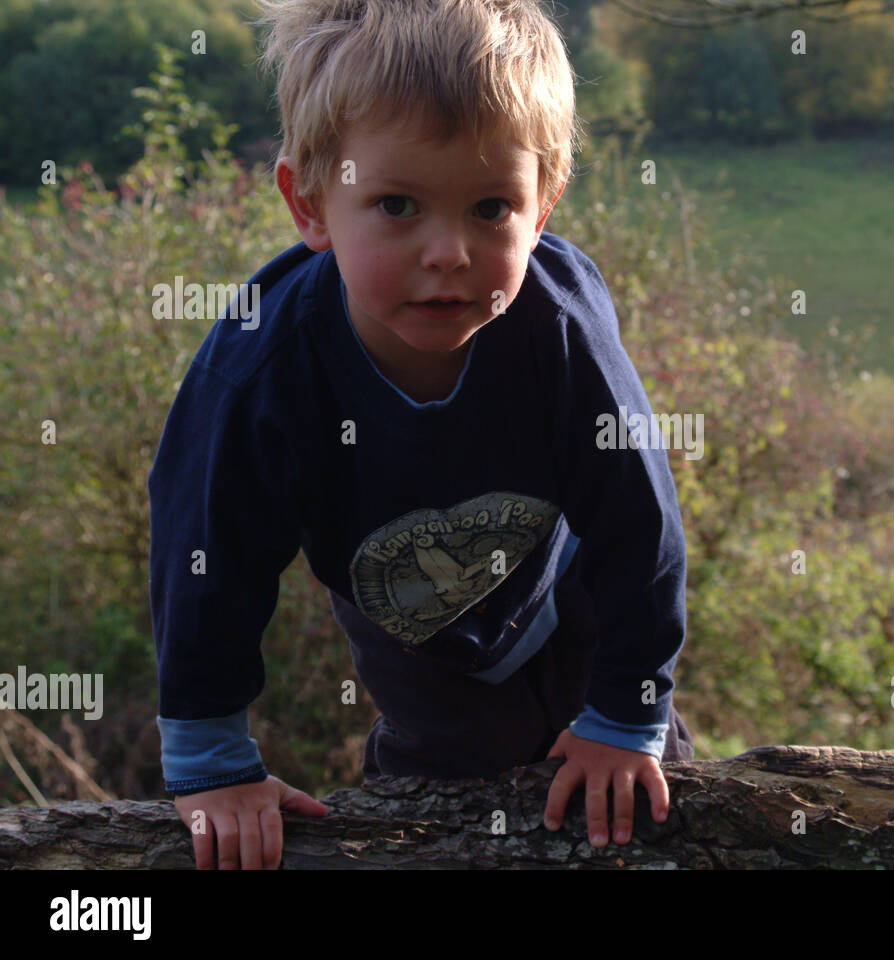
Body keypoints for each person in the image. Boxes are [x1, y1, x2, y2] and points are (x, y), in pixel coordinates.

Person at [150, 0, 694, 870]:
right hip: (406, 624)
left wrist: (626, 717)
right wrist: (211, 762)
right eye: (397, 205)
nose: (449, 252)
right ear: (312, 202)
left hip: (576, 594)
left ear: (544, 205)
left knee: (638, 799)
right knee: (441, 799)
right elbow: (204, 554)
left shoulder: (560, 335)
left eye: (491, 208)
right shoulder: (259, 370)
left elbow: (641, 526)